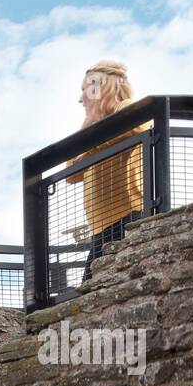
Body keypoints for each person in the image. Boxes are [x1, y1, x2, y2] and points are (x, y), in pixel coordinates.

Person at [65, 60, 148, 283]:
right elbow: (71, 174)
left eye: (85, 90)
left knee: (93, 289)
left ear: (102, 87)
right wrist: (88, 124)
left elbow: (140, 126)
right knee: (92, 290)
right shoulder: (94, 127)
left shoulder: (125, 107)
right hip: (101, 227)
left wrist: (94, 146)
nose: (80, 98)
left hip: (128, 216)